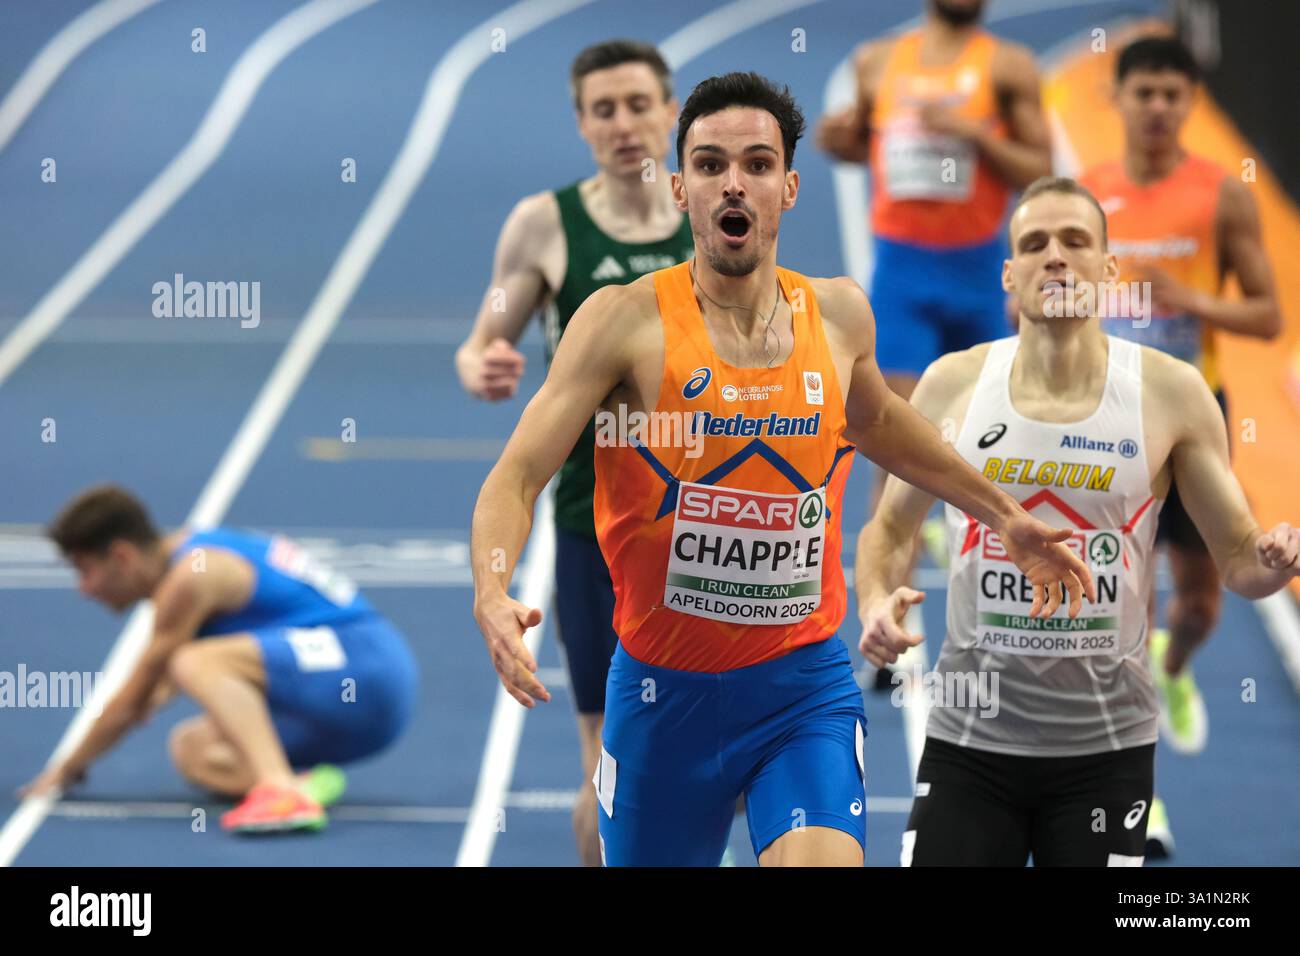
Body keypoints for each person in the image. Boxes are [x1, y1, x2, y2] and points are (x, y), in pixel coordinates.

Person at [470, 72, 1095, 867]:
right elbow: (516, 475)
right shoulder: (622, 323)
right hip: (661, 699)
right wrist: (492, 588)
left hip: (800, 691)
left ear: (789, 187)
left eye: (758, 164)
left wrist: (1005, 514)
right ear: (679, 188)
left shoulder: (837, 316)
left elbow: (879, 424)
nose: (734, 181)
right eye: (710, 165)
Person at [857, 176, 1299, 866]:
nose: (1055, 258)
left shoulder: (1171, 394)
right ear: (1009, 273)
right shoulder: (956, 384)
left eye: (1075, 242)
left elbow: (1239, 559)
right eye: (1034, 244)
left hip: (1105, 750)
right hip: (971, 743)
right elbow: (888, 528)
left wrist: (1272, 560)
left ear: (1108, 267)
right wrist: (875, 600)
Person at [454, 39, 692, 866]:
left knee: (715, 743)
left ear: (670, 111)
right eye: (604, 110)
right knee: (609, 754)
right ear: (582, 124)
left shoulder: (717, 210)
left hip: (715, 517)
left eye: (638, 105)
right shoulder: (545, 224)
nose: (624, 125)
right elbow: (491, 320)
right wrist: (479, 355)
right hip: (598, 525)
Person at [1077, 35, 1282, 855]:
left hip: (1195, 414)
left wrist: (1188, 298)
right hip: (1108, 421)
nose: (1158, 108)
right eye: (1144, 93)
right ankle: (1141, 803)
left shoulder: (1221, 196)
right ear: (1118, 99)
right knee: (1124, 615)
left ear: (1191, 101)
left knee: (1199, 604)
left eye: (1173, 94)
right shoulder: (1086, 196)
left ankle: (1179, 663)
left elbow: (1267, 315)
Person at [21, 485, 418, 833]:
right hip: (346, 681)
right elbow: (153, 693)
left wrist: (66, 768)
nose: (83, 589)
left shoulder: (190, 578)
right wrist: (152, 696)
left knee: (194, 661)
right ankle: (303, 783)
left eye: (86, 570)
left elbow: (134, 697)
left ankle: (278, 790)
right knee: (193, 749)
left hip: (367, 666)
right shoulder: (196, 549)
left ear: (123, 557)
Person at [817, 0, 1051, 475]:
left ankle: (970, 534)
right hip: (902, 274)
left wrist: (976, 136)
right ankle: (896, 541)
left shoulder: (1008, 66)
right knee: (896, 440)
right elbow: (856, 145)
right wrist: (832, 137)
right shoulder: (877, 62)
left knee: (990, 433)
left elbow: (1040, 170)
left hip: (979, 272)